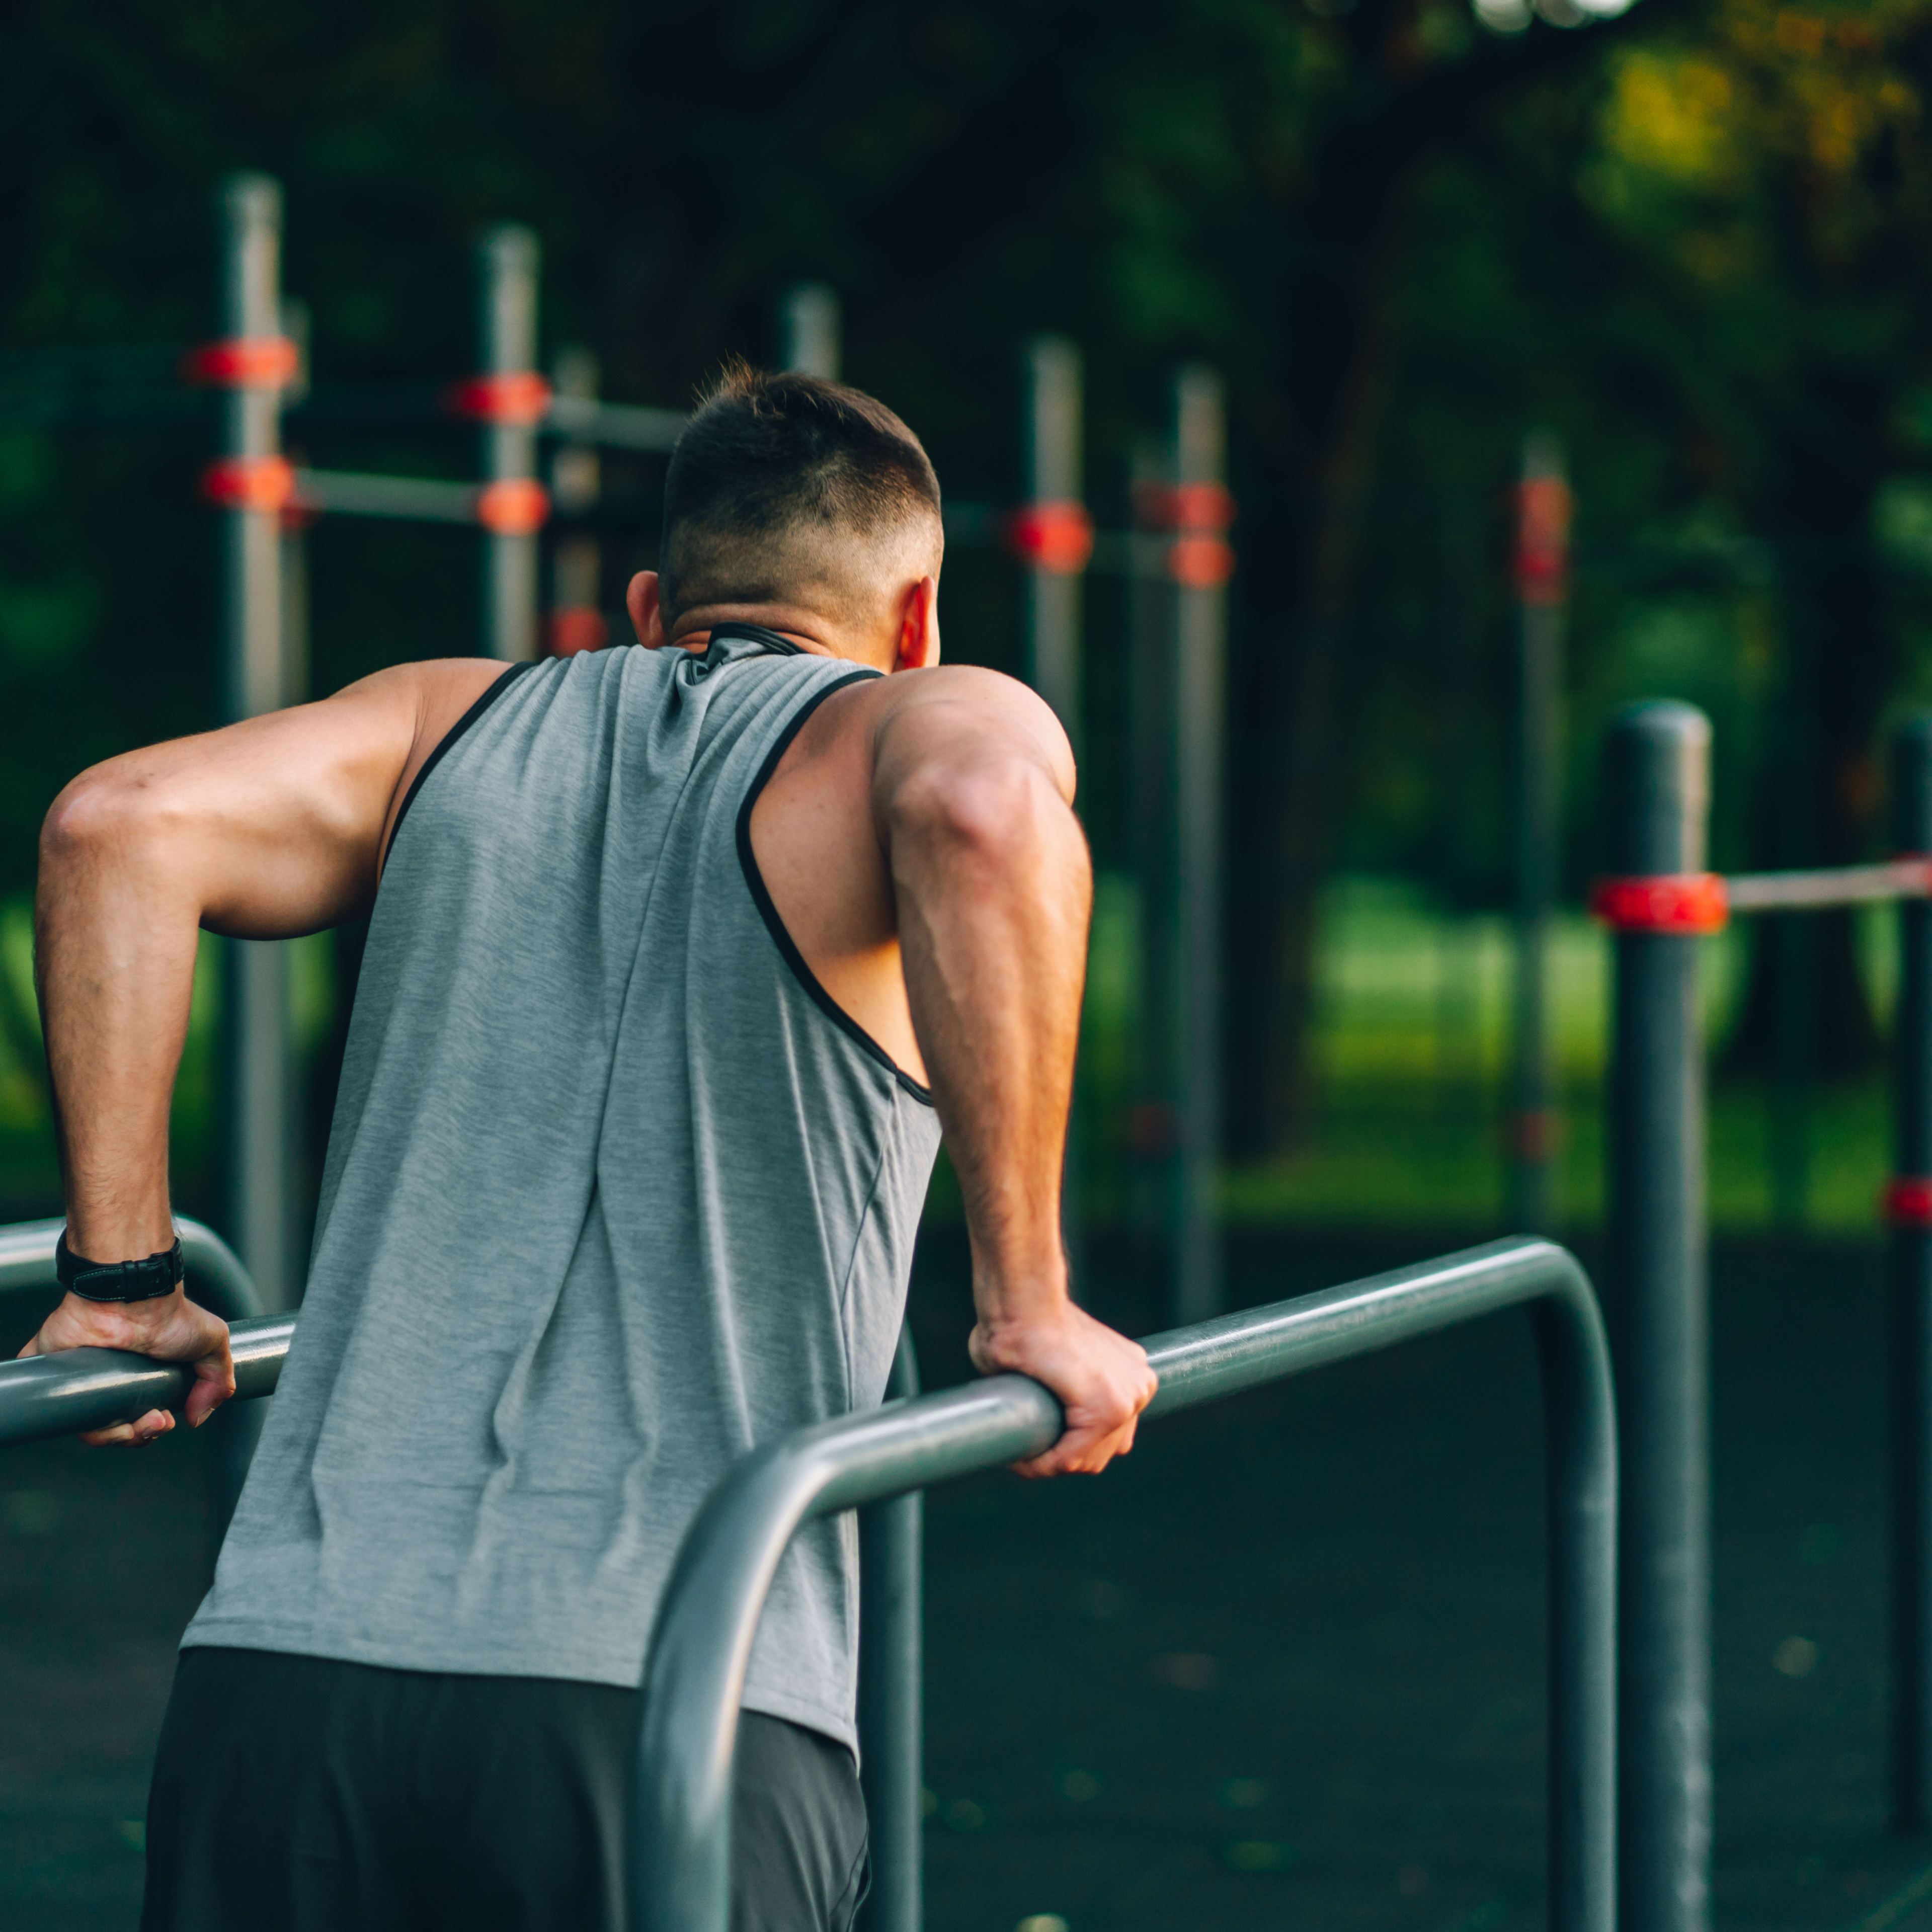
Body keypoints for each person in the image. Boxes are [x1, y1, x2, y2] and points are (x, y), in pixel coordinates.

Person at [24, 365, 1157, 1932]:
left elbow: (115, 826)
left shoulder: (438, 721)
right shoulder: (921, 716)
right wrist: (1026, 1300)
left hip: (288, 1674)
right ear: (916, 619)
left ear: (645, 604)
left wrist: (125, 1282)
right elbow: (982, 811)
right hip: (676, 1697)